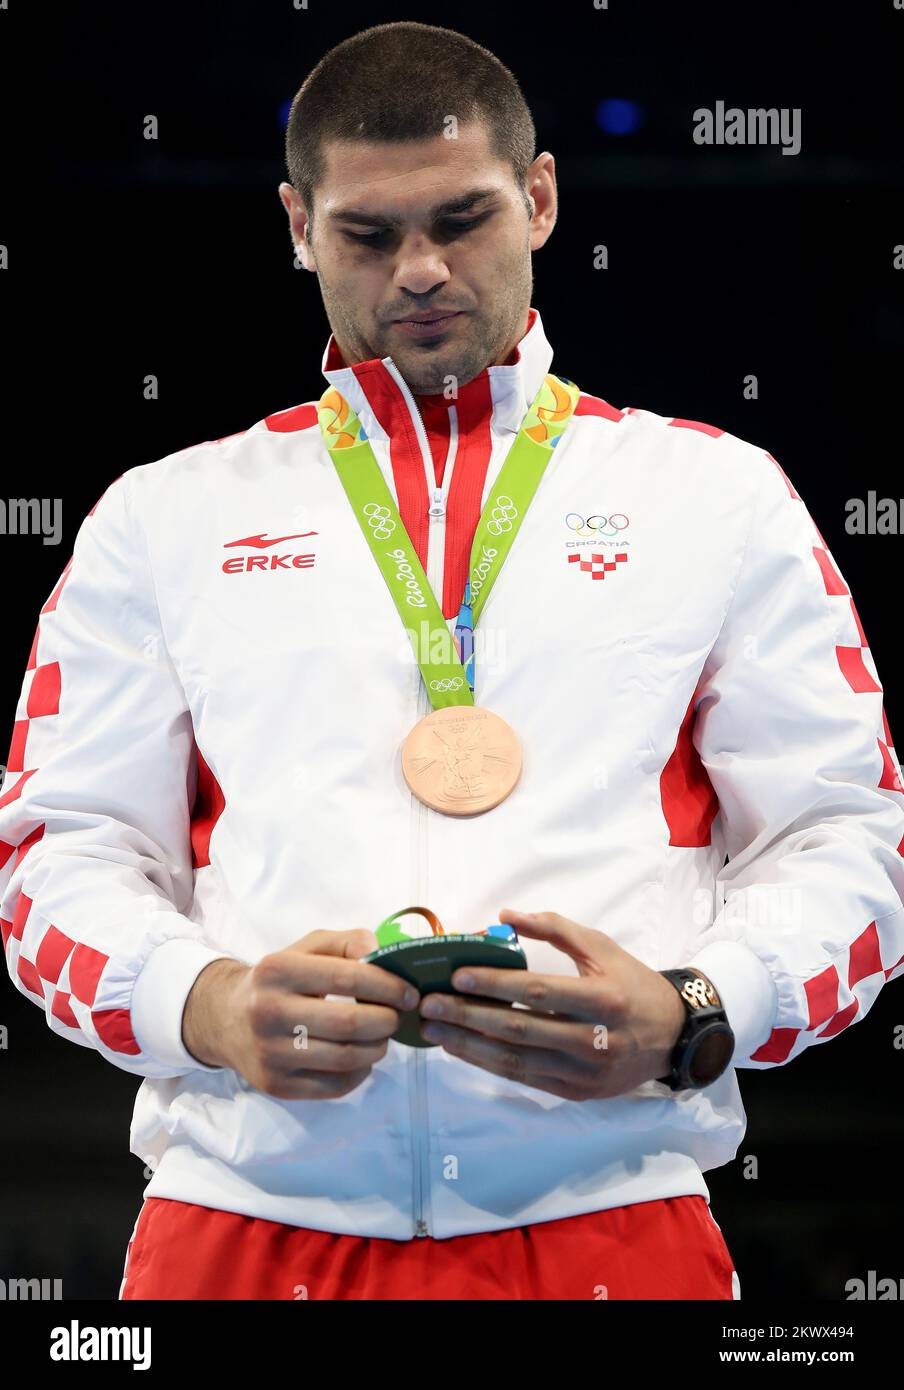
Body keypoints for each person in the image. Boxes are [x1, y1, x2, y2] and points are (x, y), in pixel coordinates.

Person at [2, 21, 903, 1302]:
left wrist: (701, 1010)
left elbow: (851, 838)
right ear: (297, 226)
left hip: (611, 1218)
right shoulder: (164, 514)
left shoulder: (715, 493)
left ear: (538, 200)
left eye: (462, 219)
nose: (419, 270)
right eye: (368, 234)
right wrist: (199, 1004)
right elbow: (56, 851)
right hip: (239, 1223)